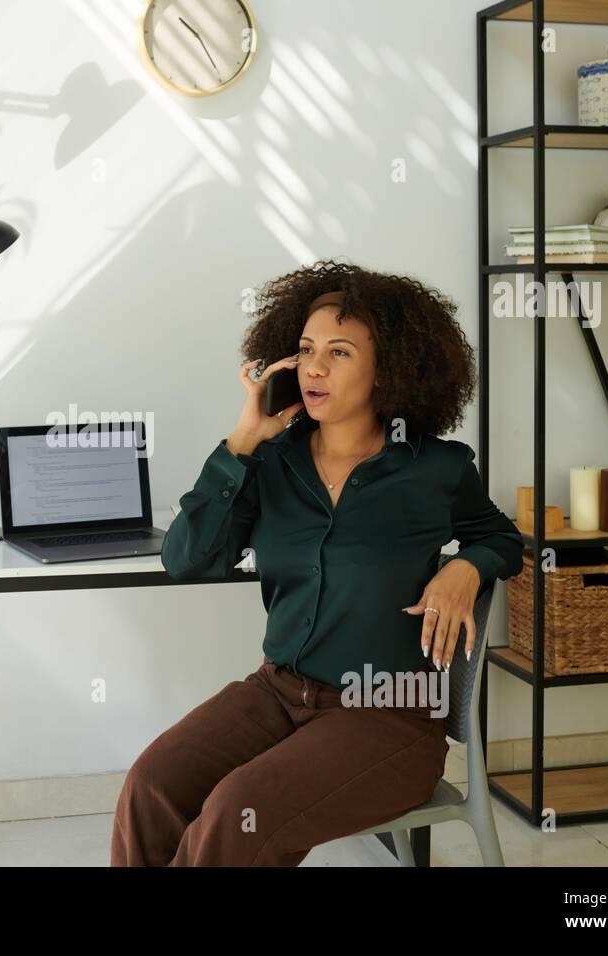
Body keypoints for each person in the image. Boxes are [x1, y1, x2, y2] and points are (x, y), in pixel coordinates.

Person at [110, 260, 524, 866]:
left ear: (391, 369)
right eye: (305, 350)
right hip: (276, 693)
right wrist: (243, 440)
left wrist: (467, 567)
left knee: (238, 812)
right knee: (151, 784)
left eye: (339, 352)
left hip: (389, 716)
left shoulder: (437, 468)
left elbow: (503, 540)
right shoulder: (270, 461)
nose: (315, 367)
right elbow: (187, 560)